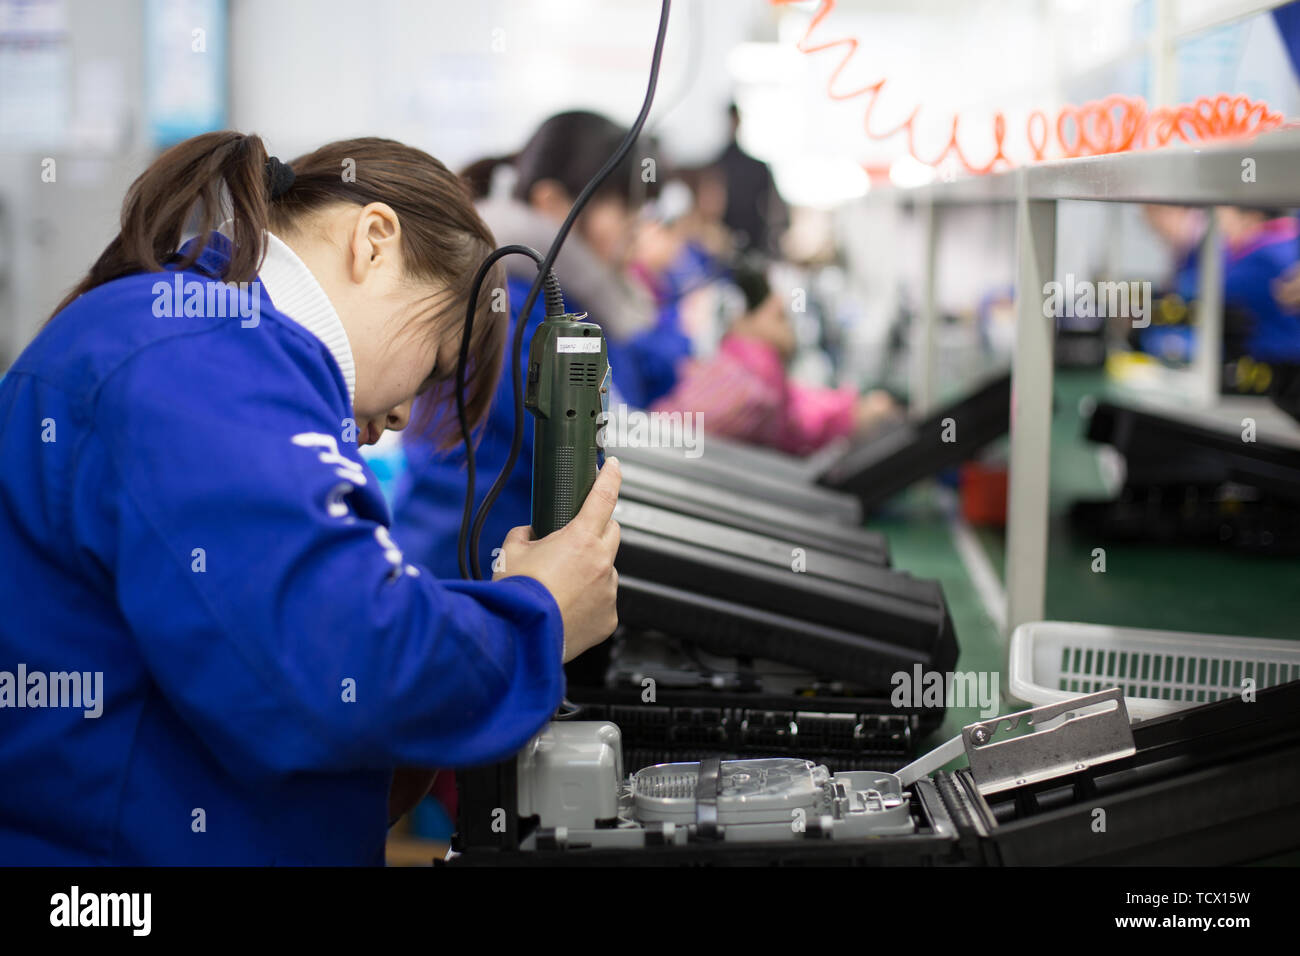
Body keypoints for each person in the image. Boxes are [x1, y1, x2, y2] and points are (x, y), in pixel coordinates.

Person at [0, 131, 621, 865]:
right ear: (373, 242)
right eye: (433, 367)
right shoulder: (200, 356)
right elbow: (337, 664)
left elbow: (257, 662)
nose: (400, 417)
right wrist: (537, 615)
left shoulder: (200, 339)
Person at [393, 111, 679, 581]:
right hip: (463, 574)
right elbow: (600, 441)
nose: (636, 229)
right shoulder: (511, 308)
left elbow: (631, 392)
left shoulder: (569, 297)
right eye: (624, 209)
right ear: (551, 201)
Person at [652, 263, 898, 455]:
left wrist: (850, 408)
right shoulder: (749, 385)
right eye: (780, 318)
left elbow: (796, 404)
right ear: (742, 318)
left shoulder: (748, 366)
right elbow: (670, 436)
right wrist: (851, 414)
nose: (791, 332)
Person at [712, 102, 789, 257]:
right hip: (724, 244)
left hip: (754, 241)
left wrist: (772, 237)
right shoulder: (717, 166)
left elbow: (774, 208)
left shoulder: (756, 167)